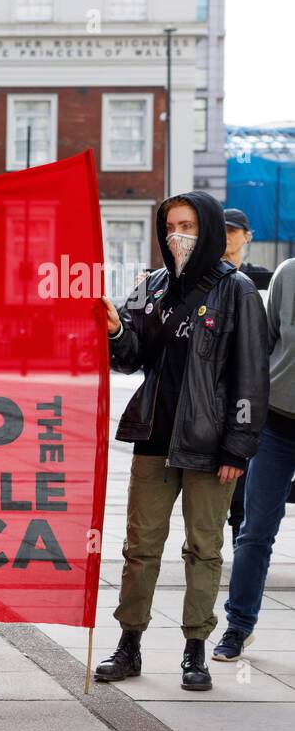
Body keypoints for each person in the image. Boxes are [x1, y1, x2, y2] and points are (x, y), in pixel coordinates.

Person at [97, 192, 268, 691]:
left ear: (209, 229)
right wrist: (113, 331)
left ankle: (196, 649)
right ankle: (129, 644)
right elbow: (131, 357)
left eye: (188, 225)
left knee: (204, 548)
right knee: (139, 548)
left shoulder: (236, 291)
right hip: (154, 435)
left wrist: (239, 446)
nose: (178, 235)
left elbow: (250, 376)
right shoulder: (152, 286)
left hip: (211, 444)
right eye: (171, 226)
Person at [217, 258, 295, 661]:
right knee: (255, 531)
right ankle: (238, 626)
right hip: (278, 425)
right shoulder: (288, 273)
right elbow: (265, 346)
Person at [224, 208, 272, 291]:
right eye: (221, 230)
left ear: (247, 237)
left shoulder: (261, 276)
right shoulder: (205, 275)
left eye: (231, 230)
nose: (225, 235)